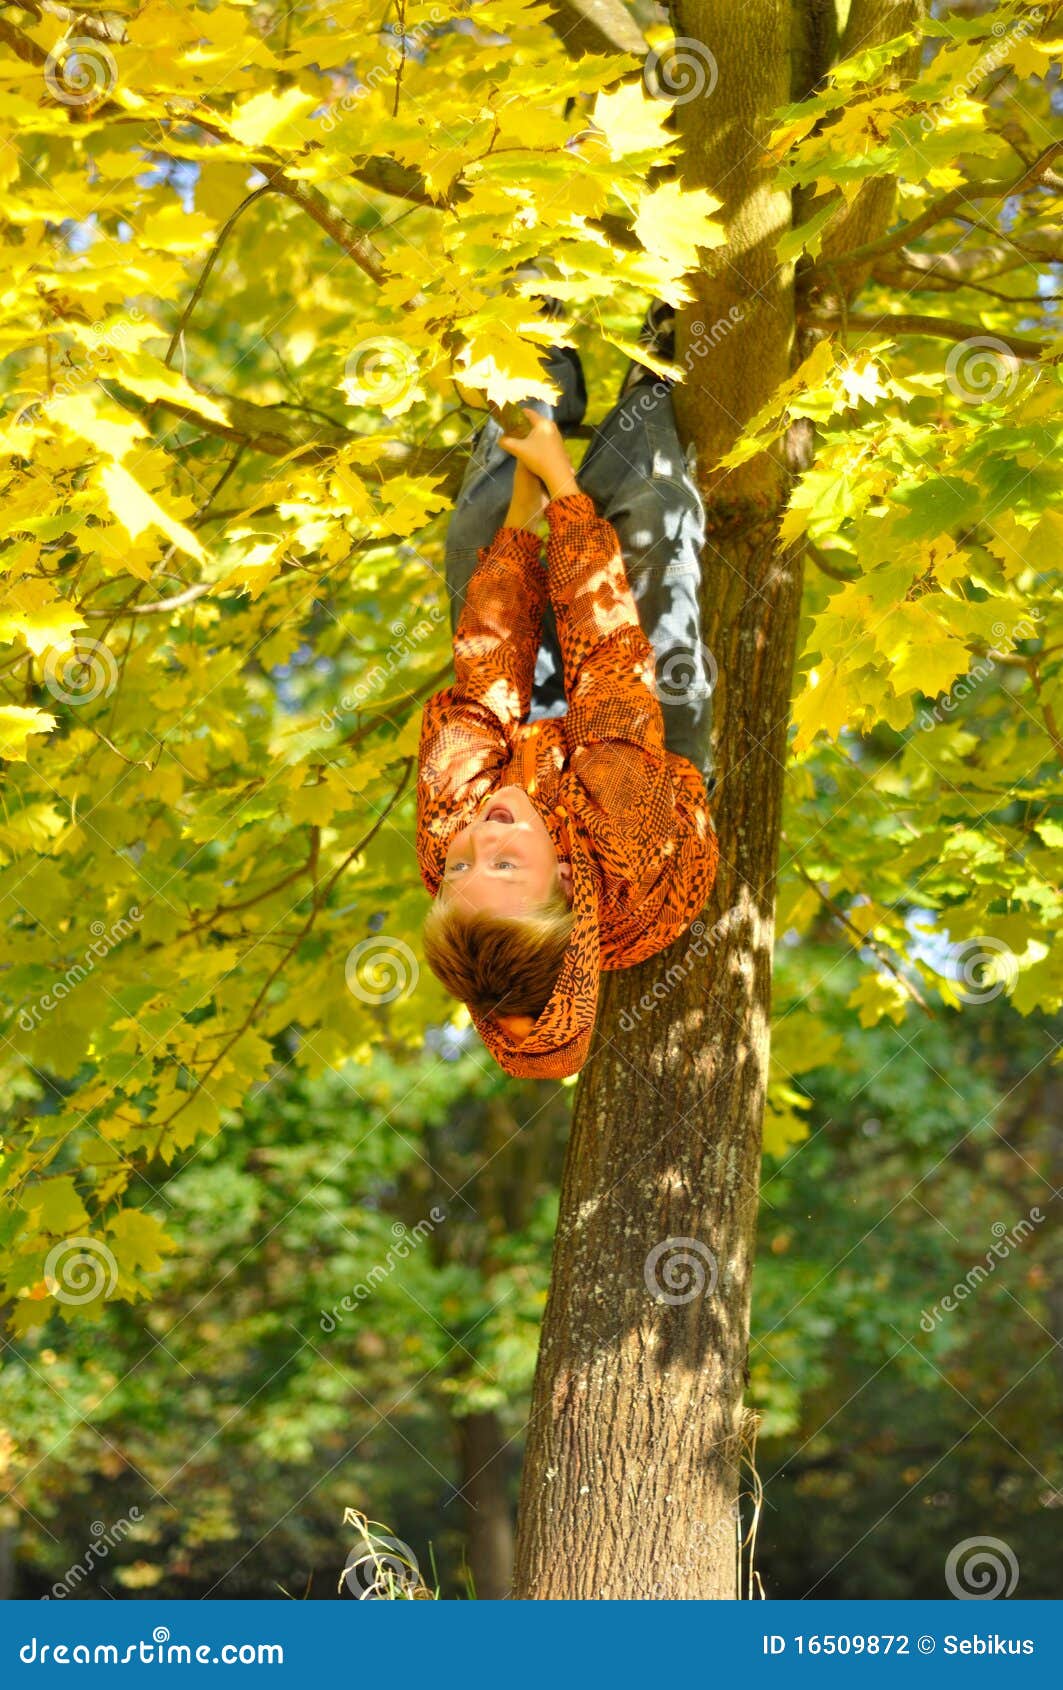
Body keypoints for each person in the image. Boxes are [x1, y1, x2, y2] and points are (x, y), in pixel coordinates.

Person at [416, 316, 718, 1078]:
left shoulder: (455, 830)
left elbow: (485, 683)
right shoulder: (626, 843)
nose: (481, 836)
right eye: (506, 866)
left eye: (457, 870)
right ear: (568, 888)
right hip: (637, 754)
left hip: (529, 743)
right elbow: (611, 672)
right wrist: (564, 490)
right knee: (644, 509)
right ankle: (657, 368)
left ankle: (534, 355)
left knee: (481, 528)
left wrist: (523, 509)